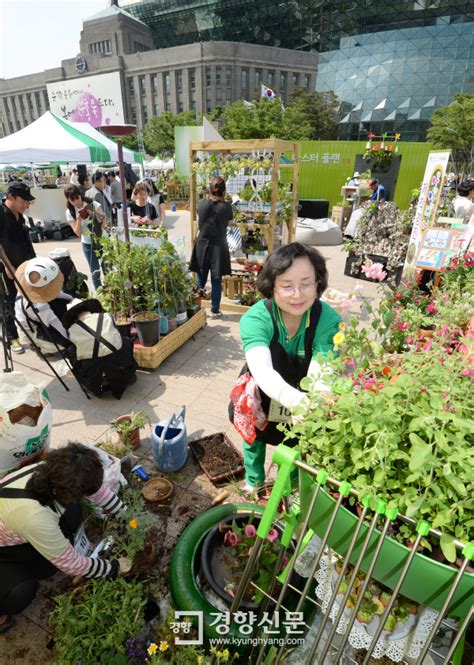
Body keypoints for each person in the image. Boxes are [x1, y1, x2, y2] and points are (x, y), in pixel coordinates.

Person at [233, 242, 341, 490]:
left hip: (303, 389)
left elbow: (321, 370)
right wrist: (292, 398)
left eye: (306, 284)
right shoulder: (257, 318)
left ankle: (289, 488)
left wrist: (315, 399)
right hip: (264, 388)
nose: (297, 294)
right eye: (287, 286)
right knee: (254, 435)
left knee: (295, 441)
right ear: (272, 286)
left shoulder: (327, 319)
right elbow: (262, 370)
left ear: (318, 283)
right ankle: (254, 482)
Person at [0, 443, 124, 633]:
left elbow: (95, 490)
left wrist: (126, 515)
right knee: (21, 592)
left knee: (72, 517)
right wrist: (113, 568)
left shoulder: (58, 472)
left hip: (20, 525)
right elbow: (71, 565)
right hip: (4, 547)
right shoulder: (35, 517)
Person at [63, 298, 137, 399]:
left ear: (74, 316)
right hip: (118, 360)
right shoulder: (106, 316)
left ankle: (90, 383)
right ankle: (127, 371)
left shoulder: (72, 330)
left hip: (93, 366)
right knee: (125, 341)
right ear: (86, 308)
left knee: (71, 350)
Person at [0, 182, 36, 354]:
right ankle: (12, 338)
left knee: (30, 298)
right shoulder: (1, 214)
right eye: (24, 201)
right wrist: (8, 266)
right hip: (6, 268)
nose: (27, 204)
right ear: (11, 197)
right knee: (8, 303)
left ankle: (33, 334)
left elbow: (25, 240)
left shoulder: (20, 215)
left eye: (28, 201)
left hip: (24, 264)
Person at [189, 176, 233, 318]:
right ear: (223, 191)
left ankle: (195, 308)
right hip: (218, 247)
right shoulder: (226, 207)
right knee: (216, 280)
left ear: (209, 189)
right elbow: (229, 219)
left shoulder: (202, 204)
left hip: (202, 244)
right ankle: (215, 310)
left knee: (200, 279)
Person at [15, 257, 72, 354]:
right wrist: (70, 338)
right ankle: (40, 347)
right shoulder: (39, 305)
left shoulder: (26, 285)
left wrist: (70, 298)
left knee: (61, 304)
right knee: (62, 345)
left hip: (32, 317)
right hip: (30, 330)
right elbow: (54, 321)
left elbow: (55, 293)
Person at [64, 185, 107, 290]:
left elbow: (104, 223)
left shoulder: (93, 204)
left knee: (107, 268)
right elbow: (78, 233)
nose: (76, 202)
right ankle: (100, 294)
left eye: (77, 198)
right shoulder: (70, 212)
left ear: (80, 195)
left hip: (102, 240)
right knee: (95, 272)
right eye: (72, 200)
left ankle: (112, 292)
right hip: (87, 244)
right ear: (68, 200)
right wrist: (78, 219)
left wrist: (94, 215)